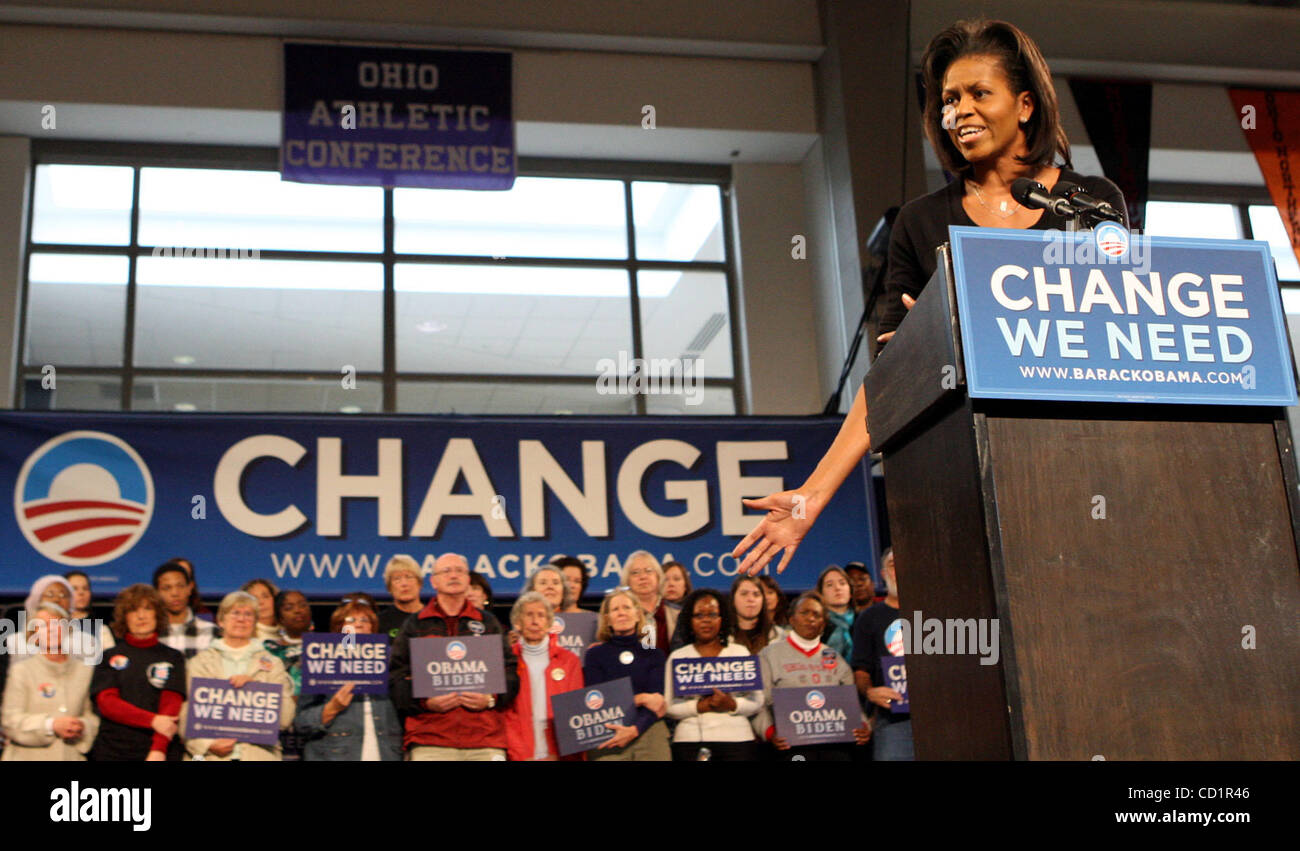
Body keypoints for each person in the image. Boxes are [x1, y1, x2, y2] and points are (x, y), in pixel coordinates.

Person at [732, 18, 1126, 577]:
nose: (959, 110)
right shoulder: (919, 223)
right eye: (949, 99)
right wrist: (812, 496)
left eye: (978, 94)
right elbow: (891, 377)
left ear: (1025, 105)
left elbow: (1116, 335)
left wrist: (957, 328)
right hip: (966, 470)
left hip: (1086, 463)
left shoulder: (1089, 203)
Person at [388, 553, 518, 761]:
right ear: (433, 581)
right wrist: (425, 703)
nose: (453, 575)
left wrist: (491, 699)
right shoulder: (415, 624)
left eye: (460, 571)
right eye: (446, 571)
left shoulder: (489, 623)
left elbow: (511, 672)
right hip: (430, 739)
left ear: (468, 579)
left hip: (485, 740)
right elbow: (396, 678)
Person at [757, 592, 870, 761]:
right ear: (791, 619)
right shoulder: (769, 654)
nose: (810, 619)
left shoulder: (835, 658)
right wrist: (770, 732)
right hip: (791, 745)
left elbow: (851, 702)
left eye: (816, 615)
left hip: (834, 744)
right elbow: (759, 701)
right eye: (804, 613)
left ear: (823, 624)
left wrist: (862, 726)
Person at [182, 590, 295, 761]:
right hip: (211, 757)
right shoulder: (200, 663)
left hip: (258, 755)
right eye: (235, 613)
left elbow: (285, 719)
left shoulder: (273, 664)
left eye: (248, 614)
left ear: (255, 622)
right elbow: (186, 717)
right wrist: (207, 745)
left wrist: (255, 689)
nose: (241, 619)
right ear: (221, 621)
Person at [293, 599, 403, 761]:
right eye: (351, 620)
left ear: (373, 628)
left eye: (364, 620)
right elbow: (301, 723)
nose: (358, 624)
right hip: (335, 753)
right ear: (340, 628)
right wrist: (331, 708)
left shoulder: (392, 660)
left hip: (385, 752)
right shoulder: (321, 660)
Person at [89, 584, 186, 761]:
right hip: (112, 751)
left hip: (157, 751)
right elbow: (107, 703)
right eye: (133, 610)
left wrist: (159, 749)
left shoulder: (173, 657)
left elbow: (171, 705)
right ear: (124, 617)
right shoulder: (108, 656)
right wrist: (152, 720)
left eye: (148, 608)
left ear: (157, 614)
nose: (141, 616)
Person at [664, 589, 760, 761]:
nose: (706, 620)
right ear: (689, 620)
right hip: (689, 741)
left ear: (722, 619)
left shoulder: (740, 652)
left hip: (738, 739)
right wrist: (700, 706)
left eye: (713, 614)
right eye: (699, 615)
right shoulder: (677, 657)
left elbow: (757, 701)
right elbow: (668, 706)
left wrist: (731, 704)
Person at [2, 601, 100, 761]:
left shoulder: (85, 671)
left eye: (57, 624)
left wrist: (82, 726)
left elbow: (92, 716)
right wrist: (51, 725)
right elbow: (10, 720)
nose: (51, 631)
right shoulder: (21, 671)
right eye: (43, 626)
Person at [581, 588, 670, 761]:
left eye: (627, 608)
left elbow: (657, 704)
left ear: (637, 615)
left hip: (649, 729)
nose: (621, 613)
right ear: (607, 619)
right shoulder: (594, 655)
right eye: (615, 609)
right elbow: (597, 700)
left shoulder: (654, 654)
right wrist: (641, 698)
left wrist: (634, 730)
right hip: (609, 731)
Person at [502, 591, 584, 761]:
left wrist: (560, 753)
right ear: (517, 622)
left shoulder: (569, 661)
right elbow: (505, 714)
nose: (535, 620)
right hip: (519, 750)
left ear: (549, 623)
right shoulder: (507, 659)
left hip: (559, 750)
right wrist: (518, 754)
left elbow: (575, 711)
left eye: (541, 615)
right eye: (529, 614)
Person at [851, 548, 913, 761]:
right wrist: (870, 691)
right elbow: (861, 669)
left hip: (942, 716)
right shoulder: (869, 618)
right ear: (883, 573)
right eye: (893, 564)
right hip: (893, 719)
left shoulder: (938, 612)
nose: (901, 569)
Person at [153, 560, 217, 659]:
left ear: (190, 588)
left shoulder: (212, 632)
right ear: (157, 592)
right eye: (166, 588)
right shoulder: (150, 634)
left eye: (180, 586)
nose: (175, 593)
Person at [621, 550, 677, 651]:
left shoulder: (676, 613)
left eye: (648, 571)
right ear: (627, 580)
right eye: (635, 573)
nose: (643, 577)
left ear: (658, 576)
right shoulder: (620, 614)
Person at [730, 575, 783, 654]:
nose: (751, 599)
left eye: (756, 594)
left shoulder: (779, 636)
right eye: (744, 594)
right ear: (733, 599)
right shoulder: (721, 637)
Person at [378, 555, 423, 640]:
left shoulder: (434, 617)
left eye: (409, 577)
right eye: (397, 579)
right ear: (389, 587)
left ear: (420, 583)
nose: (404, 584)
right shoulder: (379, 621)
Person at [817, 565, 856, 661]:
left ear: (850, 591)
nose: (837, 588)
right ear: (821, 593)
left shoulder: (864, 621)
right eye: (829, 585)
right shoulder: (816, 625)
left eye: (842, 583)